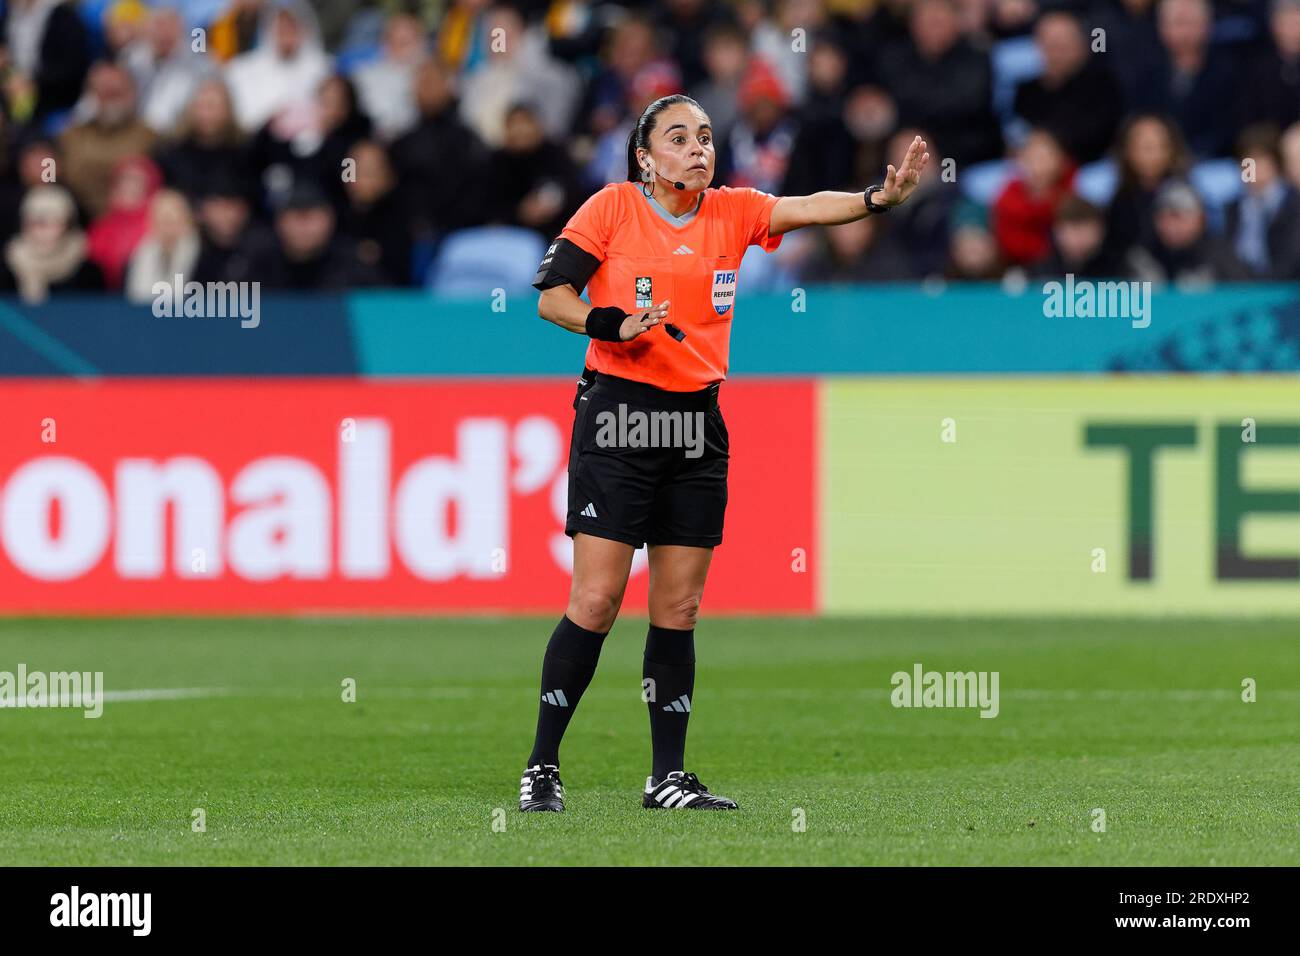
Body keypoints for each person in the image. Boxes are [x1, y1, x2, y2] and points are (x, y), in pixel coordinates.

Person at [520, 93, 928, 812]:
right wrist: (608, 322)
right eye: (679, 138)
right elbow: (552, 297)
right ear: (645, 158)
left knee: (678, 606)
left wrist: (876, 198)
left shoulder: (731, 212)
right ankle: (542, 765)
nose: (698, 148)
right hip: (619, 416)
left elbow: (804, 207)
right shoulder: (611, 209)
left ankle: (666, 778)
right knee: (597, 598)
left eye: (706, 136)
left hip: (696, 423)